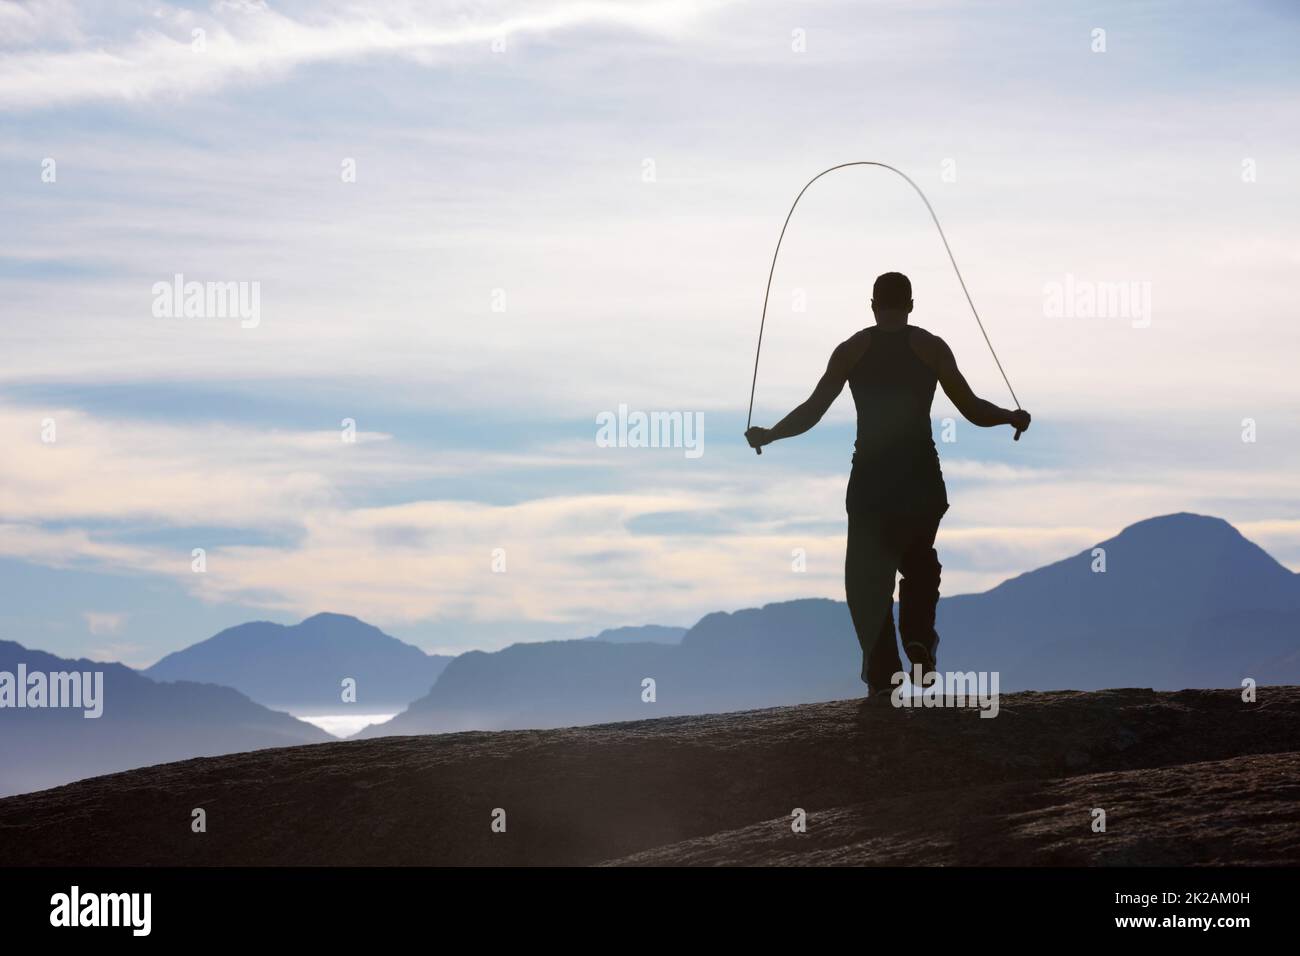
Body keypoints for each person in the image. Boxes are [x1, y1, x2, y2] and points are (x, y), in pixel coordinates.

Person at [744, 272, 1030, 697]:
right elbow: (971, 409)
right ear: (911, 304)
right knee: (917, 562)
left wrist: (770, 434)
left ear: (873, 304)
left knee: (866, 581)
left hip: (871, 483)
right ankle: (918, 640)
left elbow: (812, 411)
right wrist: (1010, 415)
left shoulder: (851, 350)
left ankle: (883, 675)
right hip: (921, 480)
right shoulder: (931, 347)